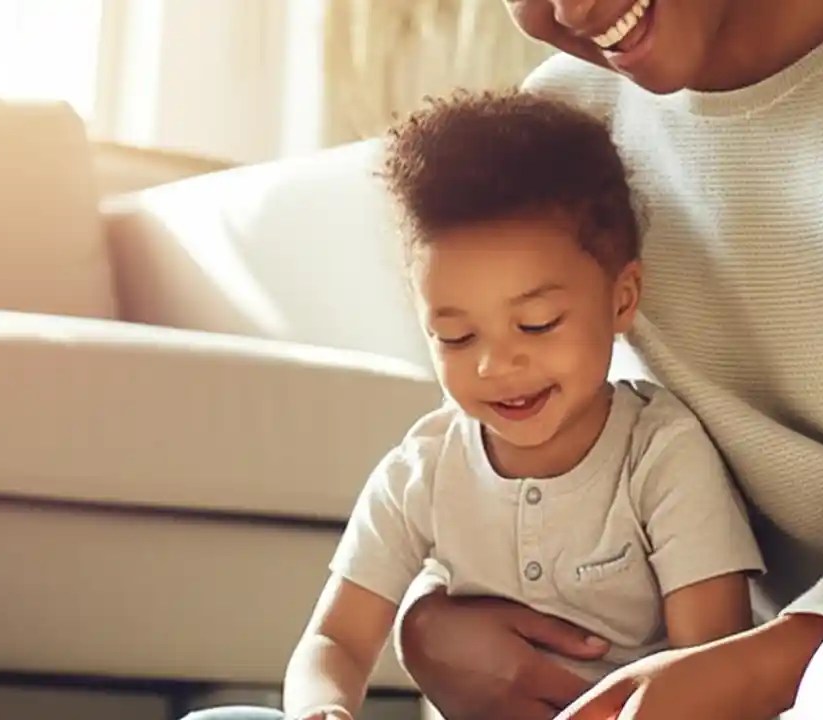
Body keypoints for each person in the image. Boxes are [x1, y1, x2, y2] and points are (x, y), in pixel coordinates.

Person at [187, 0, 823, 718]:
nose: (565, 11)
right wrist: (431, 623)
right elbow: (571, 461)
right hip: (820, 646)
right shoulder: (571, 130)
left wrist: (758, 666)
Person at [281, 91, 763, 720]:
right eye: (455, 336)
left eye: (536, 324)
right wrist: (324, 709)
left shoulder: (662, 456)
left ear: (622, 300)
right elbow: (333, 640)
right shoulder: (422, 472)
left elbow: (711, 673)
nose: (493, 366)